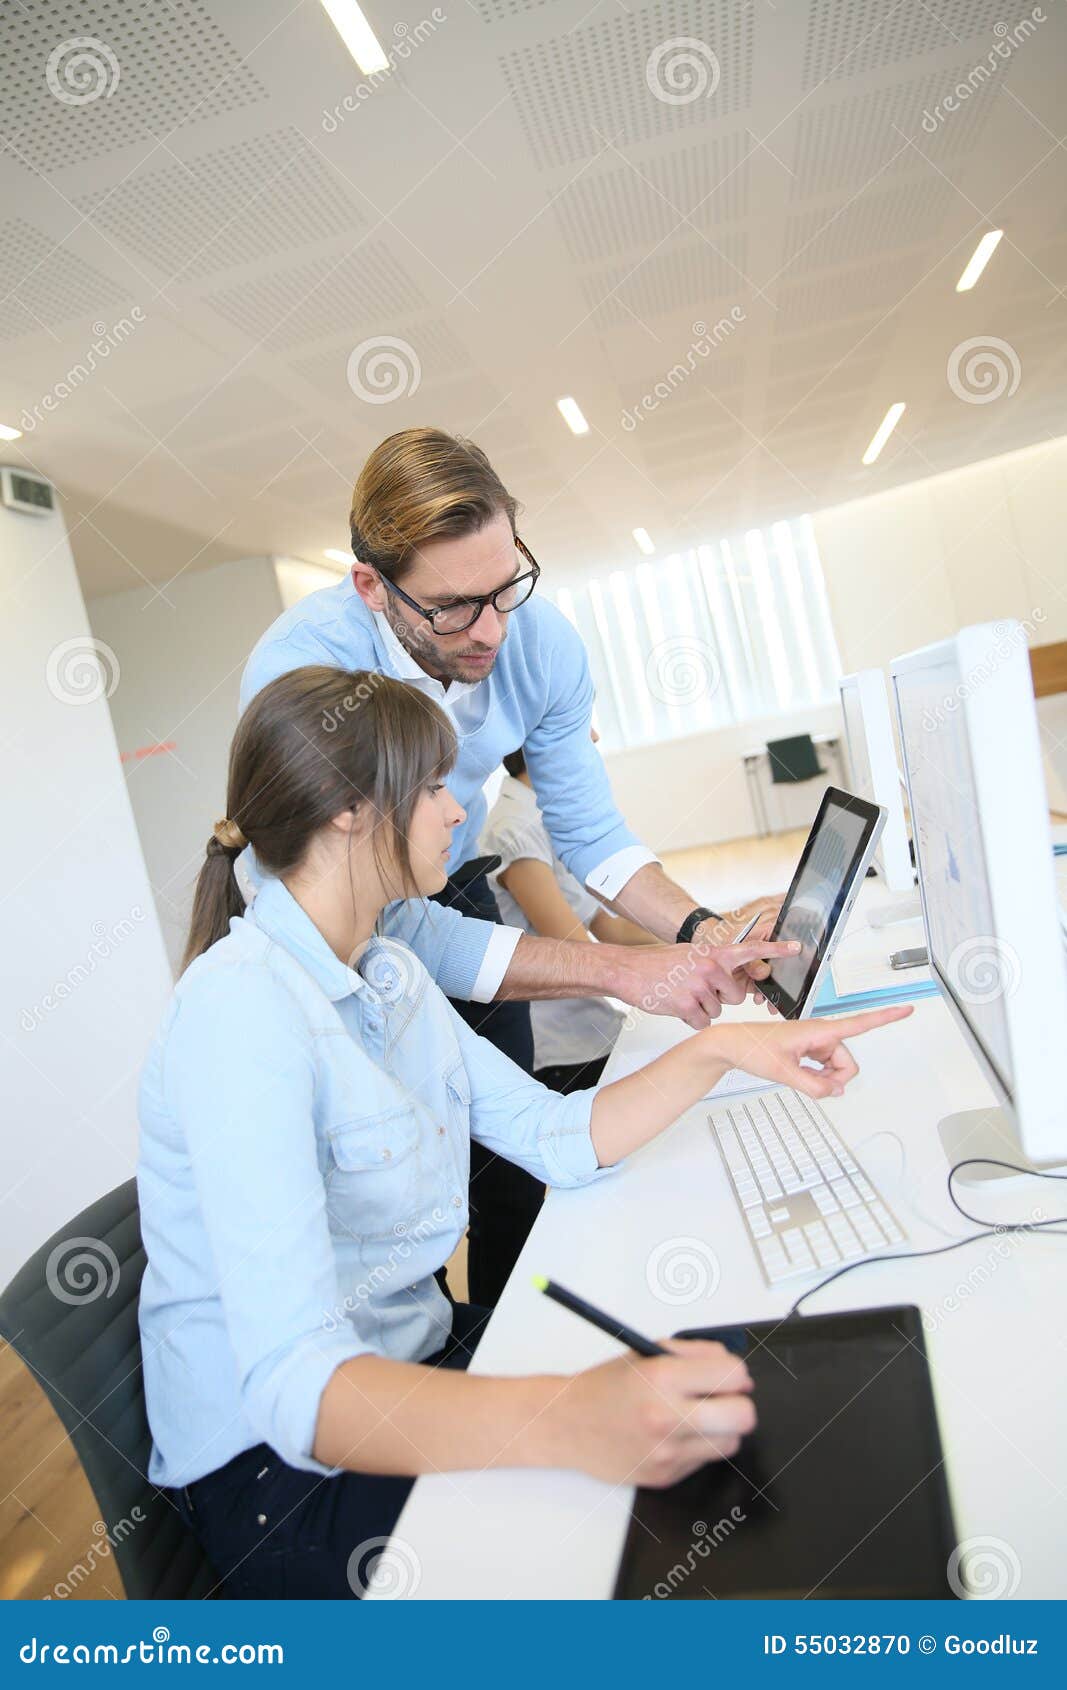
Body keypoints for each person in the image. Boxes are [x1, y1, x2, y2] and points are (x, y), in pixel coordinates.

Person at [137, 665, 910, 1599]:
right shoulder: (241, 1016)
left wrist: (730, 1053)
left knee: (730, 1418)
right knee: (648, 1530)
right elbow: (297, 1388)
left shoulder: (387, 970)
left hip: (409, 1359)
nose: (455, 812)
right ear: (348, 809)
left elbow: (551, 1136)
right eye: (430, 788)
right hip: (288, 1479)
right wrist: (567, 1418)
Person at [240, 428, 780, 1304]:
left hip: (428, 885)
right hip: (335, 921)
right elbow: (379, 917)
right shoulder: (304, 675)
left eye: (506, 588)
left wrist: (699, 933)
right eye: (454, 606)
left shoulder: (537, 644)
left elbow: (588, 829)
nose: (492, 629)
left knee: (511, 1160)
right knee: (383, 1183)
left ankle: (491, 1331)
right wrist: (627, 971)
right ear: (373, 589)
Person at [482, 738, 658, 1093]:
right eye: (580, 726)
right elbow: (577, 948)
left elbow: (609, 927)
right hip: (561, 1053)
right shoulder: (514, 828)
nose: (594, 737)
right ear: (538, 745)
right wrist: (693, 959)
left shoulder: (539, 816)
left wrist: (705, 937)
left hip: (590, 1029)